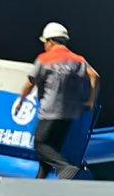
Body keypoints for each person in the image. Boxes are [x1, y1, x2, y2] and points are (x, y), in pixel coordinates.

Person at [19, 21, 99, 179]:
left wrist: (21, 100)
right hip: (70, 114)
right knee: (51, 152)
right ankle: (39, 184)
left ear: (50, 41)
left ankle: (65, 168)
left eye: (45, 42)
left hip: (50, 111)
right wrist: (91, 101)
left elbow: (30, 83)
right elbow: (95, 76)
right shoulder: (78, 60)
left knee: (40, 144)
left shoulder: (45, 59)